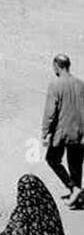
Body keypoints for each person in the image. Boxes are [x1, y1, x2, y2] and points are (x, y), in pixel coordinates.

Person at [41, 53, 84, 209]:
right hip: (79, 131)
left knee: (52, 159)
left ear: (56, 66)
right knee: (76, 164)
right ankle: (77, 197)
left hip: (62, 131)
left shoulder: (55, 85)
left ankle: (73, 188)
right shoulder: (80, 84)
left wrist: (45, 132)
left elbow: (50, 113)